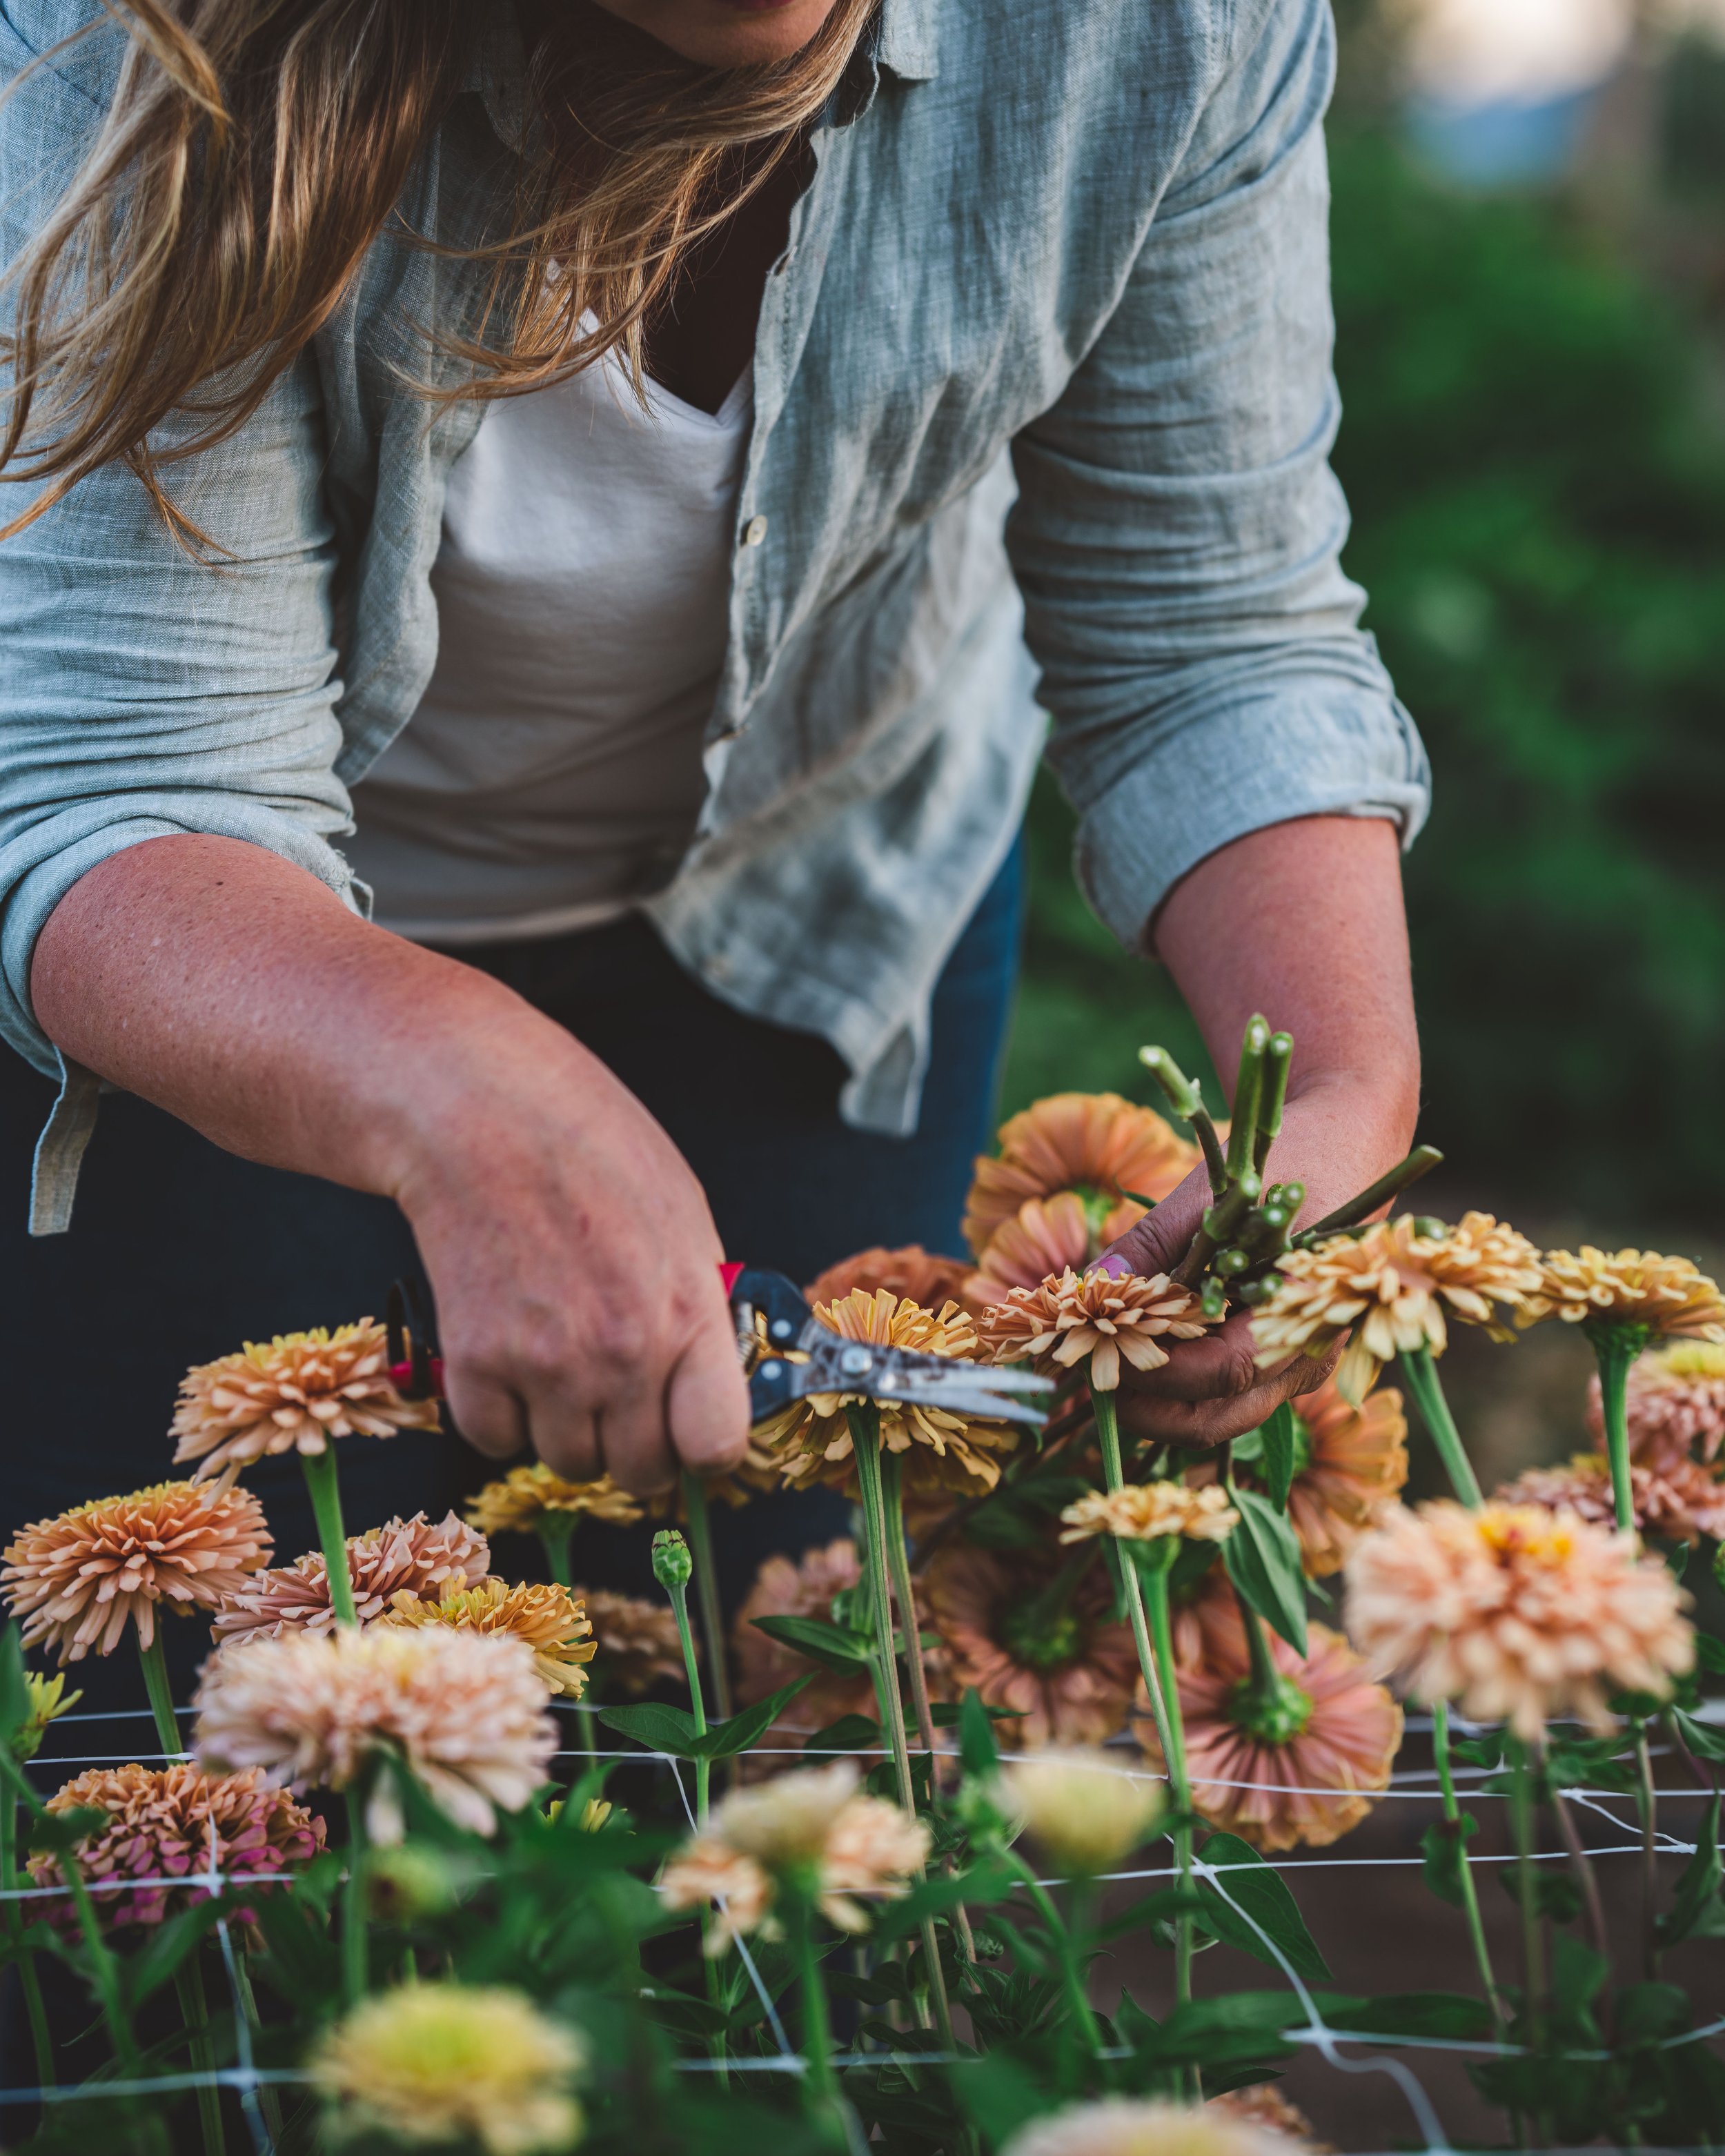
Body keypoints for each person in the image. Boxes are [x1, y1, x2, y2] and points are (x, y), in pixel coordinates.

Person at [0, 0, 1426, 1665]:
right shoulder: (120, 42)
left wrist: (1338, 1088)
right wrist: (471, 1092)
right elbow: (119, 766)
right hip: (216, 963)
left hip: (813, 911)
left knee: (770, 1726)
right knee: (196, 1747)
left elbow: (1211, 635)